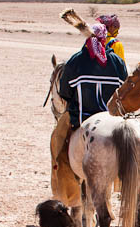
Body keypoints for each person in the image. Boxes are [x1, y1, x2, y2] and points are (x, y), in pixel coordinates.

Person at [50, 23, 128, 198]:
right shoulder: (118, 62)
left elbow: (64, 93)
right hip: (113, 119)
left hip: (82, 118)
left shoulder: (76, 61)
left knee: (58, 142)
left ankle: (67, 193)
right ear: (104, 39)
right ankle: (123, 181)